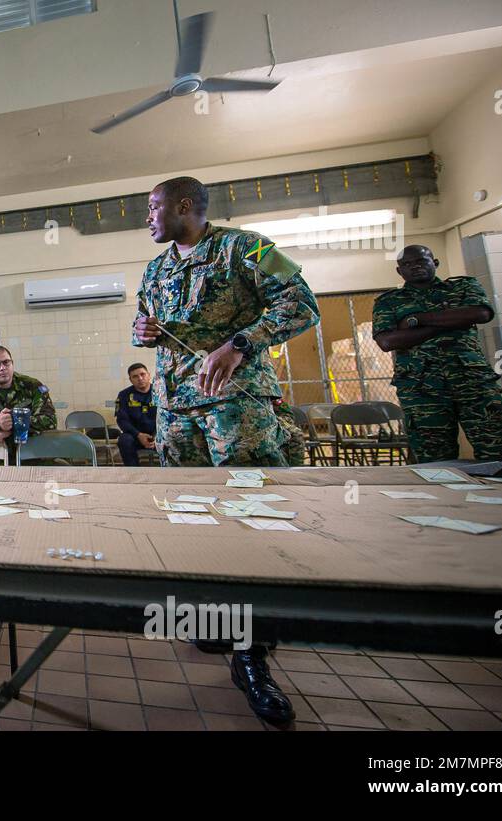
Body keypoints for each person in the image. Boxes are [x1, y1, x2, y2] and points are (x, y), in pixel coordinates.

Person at [133, 175, 321, 727]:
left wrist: (240, 344)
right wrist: (144, 330)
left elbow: (302, 304)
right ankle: (216, 623)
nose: (147, 218)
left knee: (249, 522)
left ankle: (253, 656)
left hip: (234, 409)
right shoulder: (156, 267)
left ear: (184, 205)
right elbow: (147, 323)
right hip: (175, 413)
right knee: (192, 522)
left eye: (152, 207)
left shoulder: (247, 247)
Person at [372, 245, 502, 463]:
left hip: (472, 380)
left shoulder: (463, 287)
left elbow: (481, 312)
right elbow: (387, 341)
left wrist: (418, 320)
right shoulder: (389, 301)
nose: (415, 267)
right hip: (421, 387)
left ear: (435, 262)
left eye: (421, 261)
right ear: (399, 271)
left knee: (499, 447)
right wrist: (451, 322)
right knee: (434, 456)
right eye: (407, 264)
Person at [115, 363, 157, 466]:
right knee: (124, 440)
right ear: (130, 380)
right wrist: (138, 435)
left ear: (149, 375)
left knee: (173, 437)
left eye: (143, 374)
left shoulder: (160, 392)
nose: (140, 378)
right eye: (135, 376)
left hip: (159, 434)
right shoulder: (123, 395)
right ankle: (134, 472)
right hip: (135, 435)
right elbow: (121, 420)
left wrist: (157, 435)